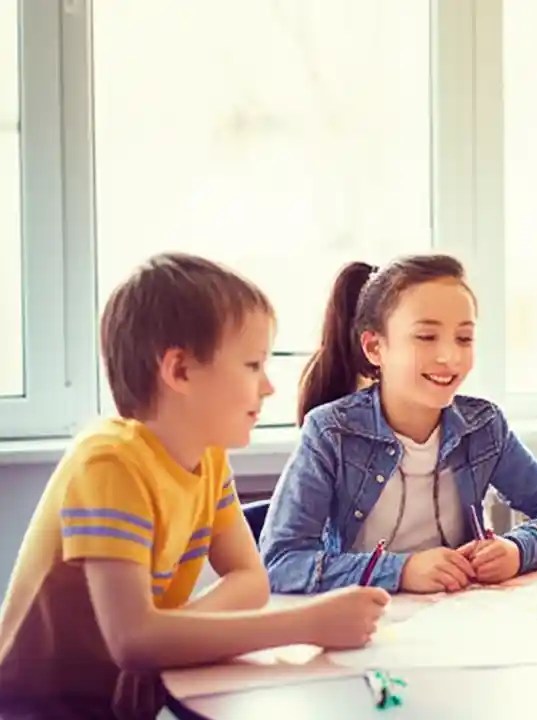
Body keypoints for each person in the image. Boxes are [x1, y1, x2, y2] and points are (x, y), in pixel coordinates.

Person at [0, 254, 388, 719]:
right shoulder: (109, 463)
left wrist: (162, 641)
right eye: (252, 364)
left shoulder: (208, 457)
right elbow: (132, 641)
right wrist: (306, 624)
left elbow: (250, 581)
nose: (267, 387)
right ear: (180, 371)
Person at [259, 255, 537, 594]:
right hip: (363, 624)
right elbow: (281, 562)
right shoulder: (331, 432)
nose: (449, 357)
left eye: (464, 339)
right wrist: (401, 570)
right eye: (426, 337)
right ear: (375, 347)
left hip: (459, 617)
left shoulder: (484, 427)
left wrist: (518, 550)